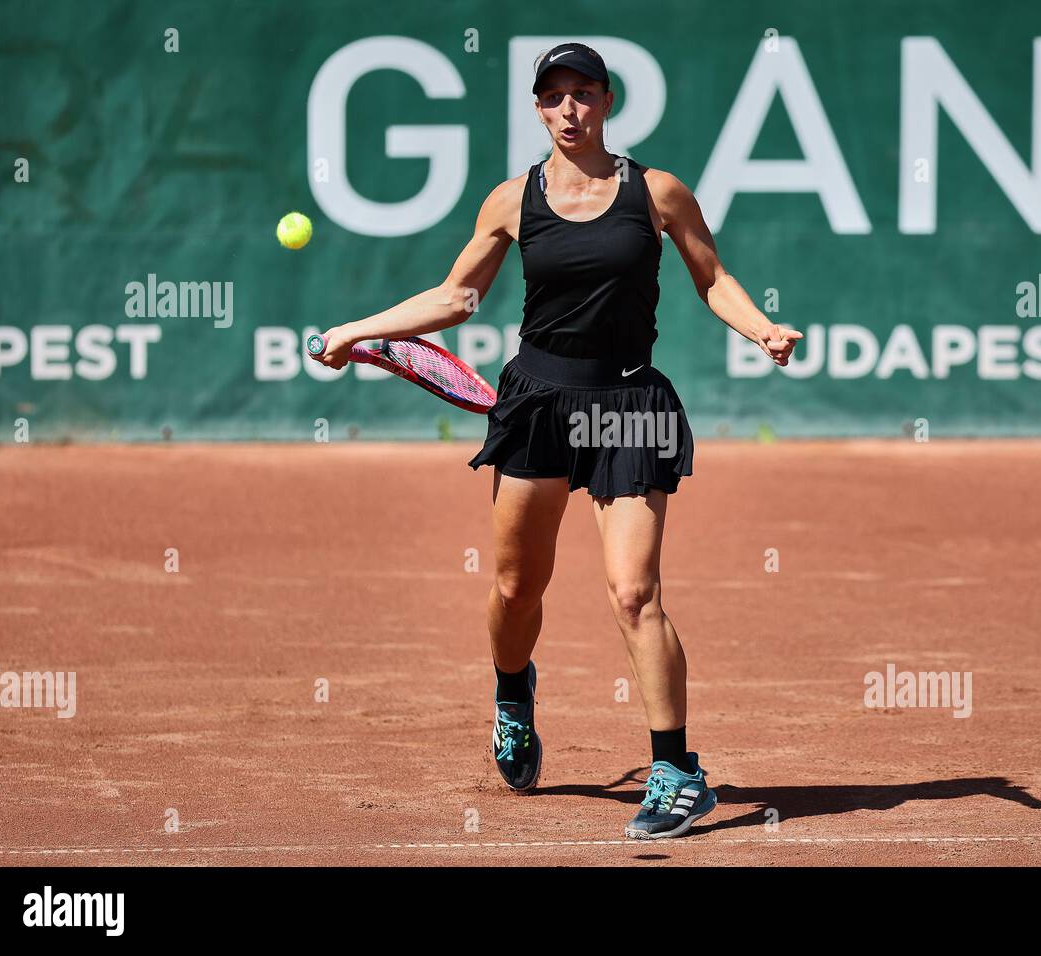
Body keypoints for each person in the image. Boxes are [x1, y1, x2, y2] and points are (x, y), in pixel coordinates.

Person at [313, 41, 801, 839]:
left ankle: (678, 771)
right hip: (538, 401)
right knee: (514, 590)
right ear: (537, 108)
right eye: (554, 97)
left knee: (634, 591)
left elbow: (711, 277)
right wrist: (357, 332)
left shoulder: (658, 191)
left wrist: (762, 330)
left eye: (583, 94)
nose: (569, 110)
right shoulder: (512, 200)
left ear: (606, 101)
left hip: (628, 403)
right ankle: (513, 699)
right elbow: (456, 295)